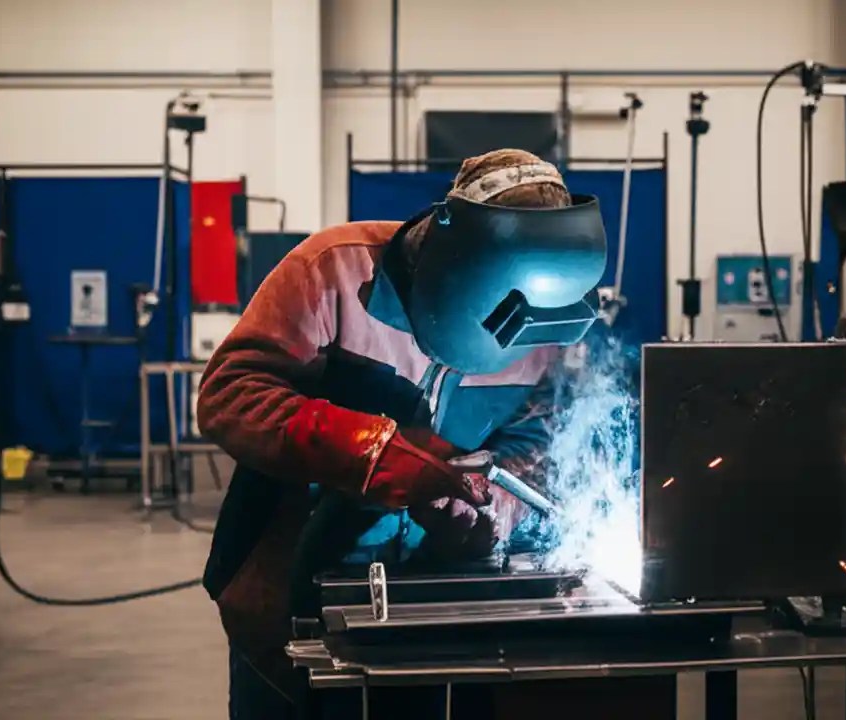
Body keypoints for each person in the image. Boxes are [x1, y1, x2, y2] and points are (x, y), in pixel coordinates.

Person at [197, 149, 607, 719]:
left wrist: (493, 506)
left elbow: (531, 446)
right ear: (449, 250)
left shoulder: (545, 317)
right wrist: (367, 450)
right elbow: (230, 394)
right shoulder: (334, 269)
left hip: (437, 600)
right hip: (289, 585)